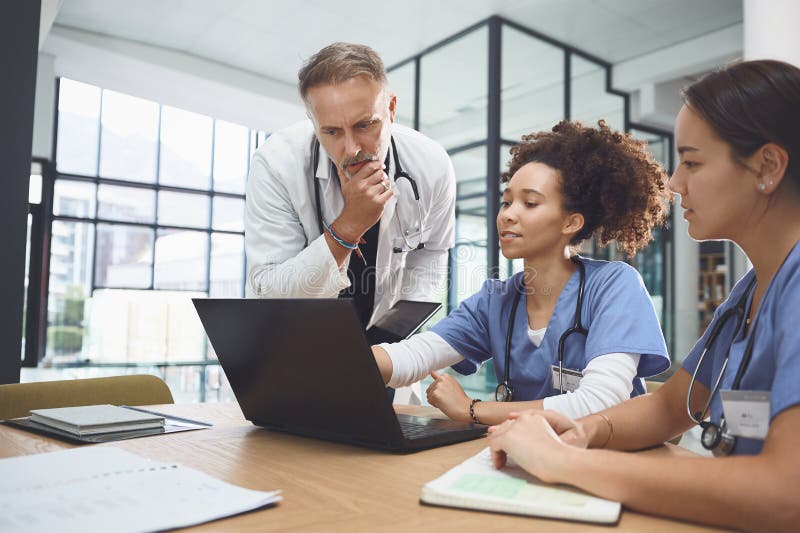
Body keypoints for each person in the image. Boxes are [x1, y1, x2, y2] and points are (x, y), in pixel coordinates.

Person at [487, 59, 800, 531]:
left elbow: (785, 495)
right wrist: (585, 430)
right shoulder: (750, 294)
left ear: (768, 166)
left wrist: (563, 463)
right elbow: (669, 407)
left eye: (692, 162)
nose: (674, 184)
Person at [372, 120, 672, 425]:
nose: (508, 215)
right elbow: (413, 356)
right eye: (506, 202)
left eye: (529, 203)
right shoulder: (496, 300)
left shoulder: (613, 285)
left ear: (571, 223)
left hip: (605, 459)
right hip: (529, 453)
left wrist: (472, 409)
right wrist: (338, 363)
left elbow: (600, 403)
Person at [245, 43, 456, 402]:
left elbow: (431, 254)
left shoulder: (431, 165)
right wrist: (348, 227)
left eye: (365, 125)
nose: (353, 147)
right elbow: (273, 295)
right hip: (294, 352)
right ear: (313, 123)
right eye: (332, 132)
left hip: (383, 357)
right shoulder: (276, 165)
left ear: (390, 107)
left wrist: (393, 342)